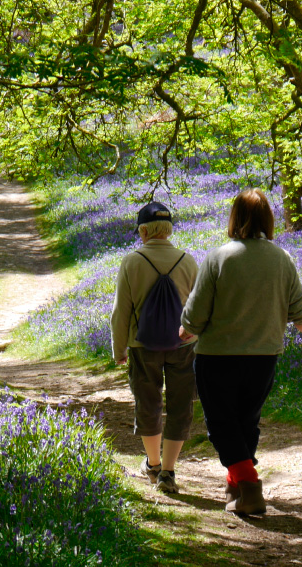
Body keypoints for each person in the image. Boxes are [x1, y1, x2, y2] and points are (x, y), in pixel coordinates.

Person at [180, 188, 302, 516]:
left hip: (218, 357)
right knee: (246, 423)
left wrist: (185, 328)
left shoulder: (218, 257)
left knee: (222, 425)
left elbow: (194, 318)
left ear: (234, 218)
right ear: (268, 220)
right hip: (264, 358)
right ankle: (237, 487)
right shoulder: (282, 259)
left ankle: (250, 487)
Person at [111, 201, 199, 494]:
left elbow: (120, 312)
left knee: (147, 403)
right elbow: (199, 310)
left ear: (144, 231)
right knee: (180, 405)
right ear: (168, 230)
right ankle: (169, 471)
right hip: (184, 345)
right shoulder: (188, 261)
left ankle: (152, 463)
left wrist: (119, 349)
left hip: (142, 346)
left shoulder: (132, 262)